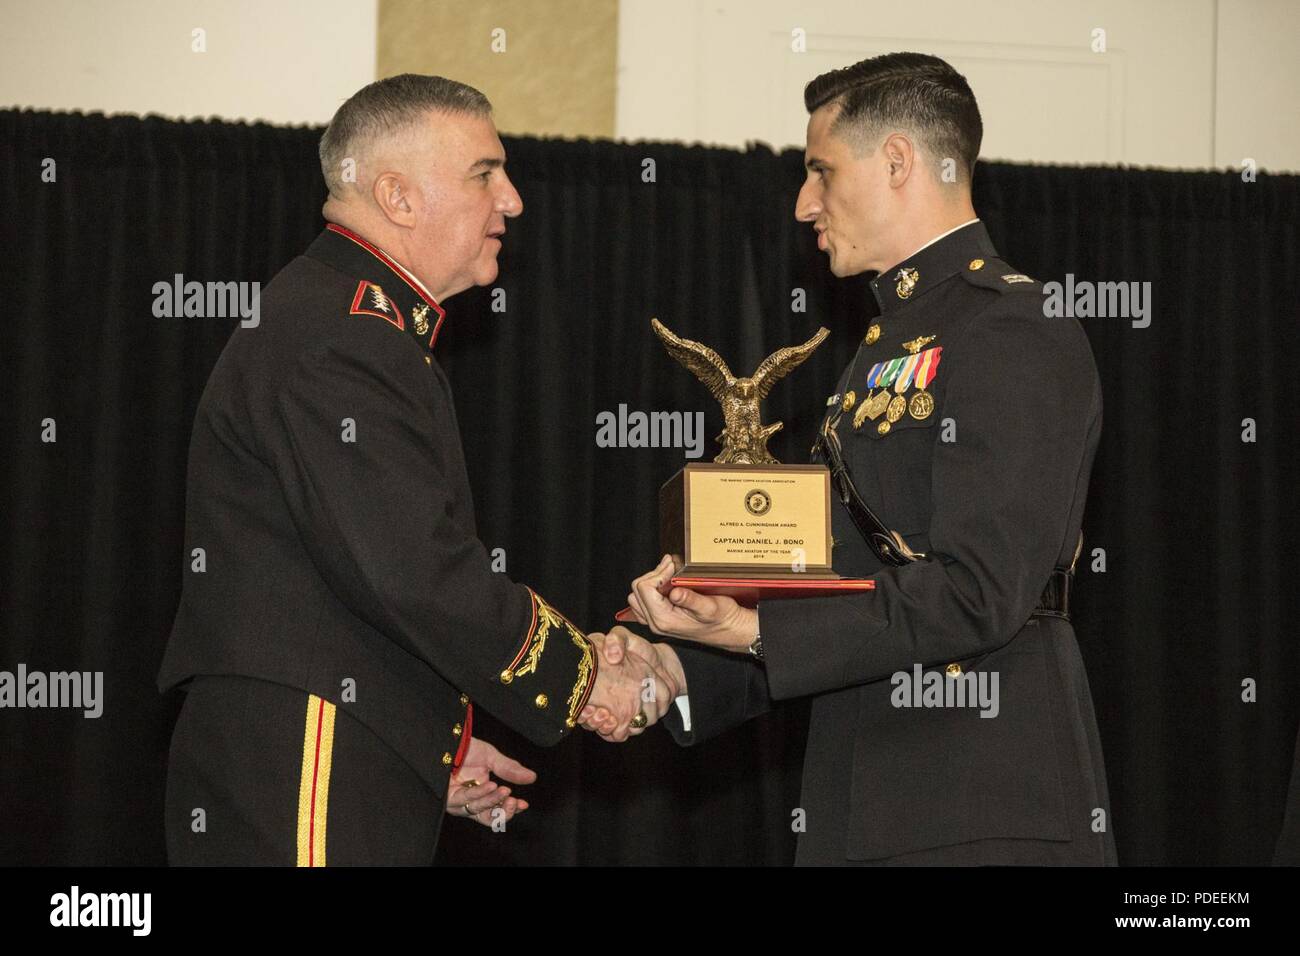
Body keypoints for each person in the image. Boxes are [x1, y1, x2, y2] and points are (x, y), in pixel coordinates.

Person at [590, 52, 1118, 865]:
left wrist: (754, 629)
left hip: (982, 798)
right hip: (857, 795)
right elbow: (842, 584)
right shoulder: (878, 350)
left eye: (819, 171)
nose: (805, 204)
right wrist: (676, 664)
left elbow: (979, 594)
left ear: (898, 161)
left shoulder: (1012, 329)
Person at [158, 74, 672, 865]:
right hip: (310, 750)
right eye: (484, 174)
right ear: (396, 197)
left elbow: (342, 585)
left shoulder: (347, 317)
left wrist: (426, 740)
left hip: (330, 740)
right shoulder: (343, 333)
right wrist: (581, 680)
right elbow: (411, 571)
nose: (513, 200)